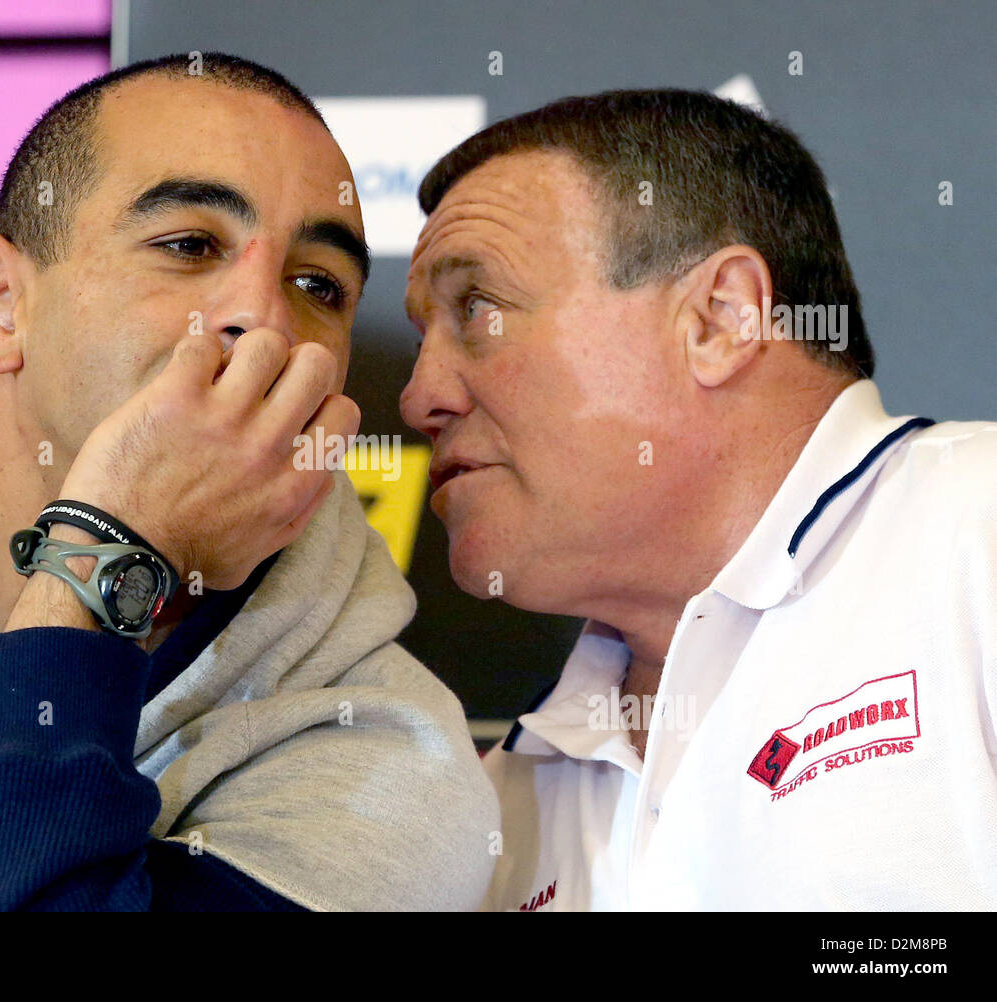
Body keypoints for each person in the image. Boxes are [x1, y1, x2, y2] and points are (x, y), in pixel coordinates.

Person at [0, 53, 498, 912]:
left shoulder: (386, 764)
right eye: (189, 245)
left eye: (318, 284)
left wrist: (109, 553)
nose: (263, 316)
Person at [400, 89, 997, 910]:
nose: (420, 396)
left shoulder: (979, 528)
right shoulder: (500, 813)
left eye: (479, 309)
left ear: (720, 319)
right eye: (423, 331)